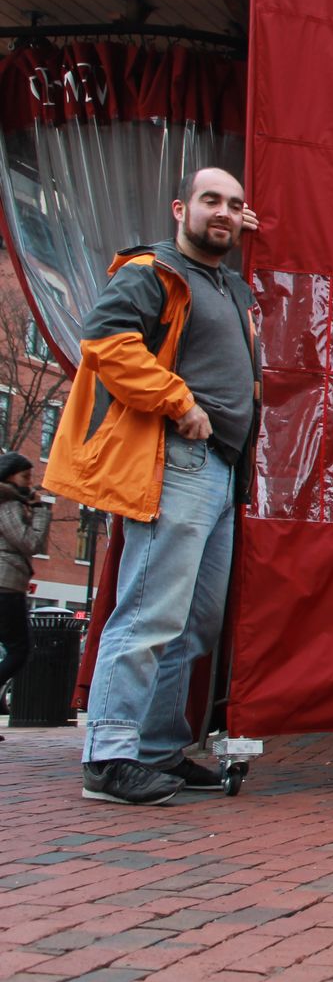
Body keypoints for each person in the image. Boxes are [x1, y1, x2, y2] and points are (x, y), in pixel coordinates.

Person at [44, 167, 260, 805]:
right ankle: (109, 760)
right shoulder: (153, 272)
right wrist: (177, 401)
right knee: (148, 612)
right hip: (179, 461)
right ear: (178, 208)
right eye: (210, 201)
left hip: (220, 472)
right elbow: (105, 342)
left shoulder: (230, 286)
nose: (223, 212)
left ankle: (157, 752)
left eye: (235, 205)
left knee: (196, 623)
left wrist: (238, 227)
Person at [0, 451, 52, 730]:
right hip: (5, 586)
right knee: (19, 650)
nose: (29, 482)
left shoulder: (12, 501)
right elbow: (28, 542)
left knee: (16, 648)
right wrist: (42, 511)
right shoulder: (6, 504)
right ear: (9, 475)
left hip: (8, 584)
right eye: (25, 476)